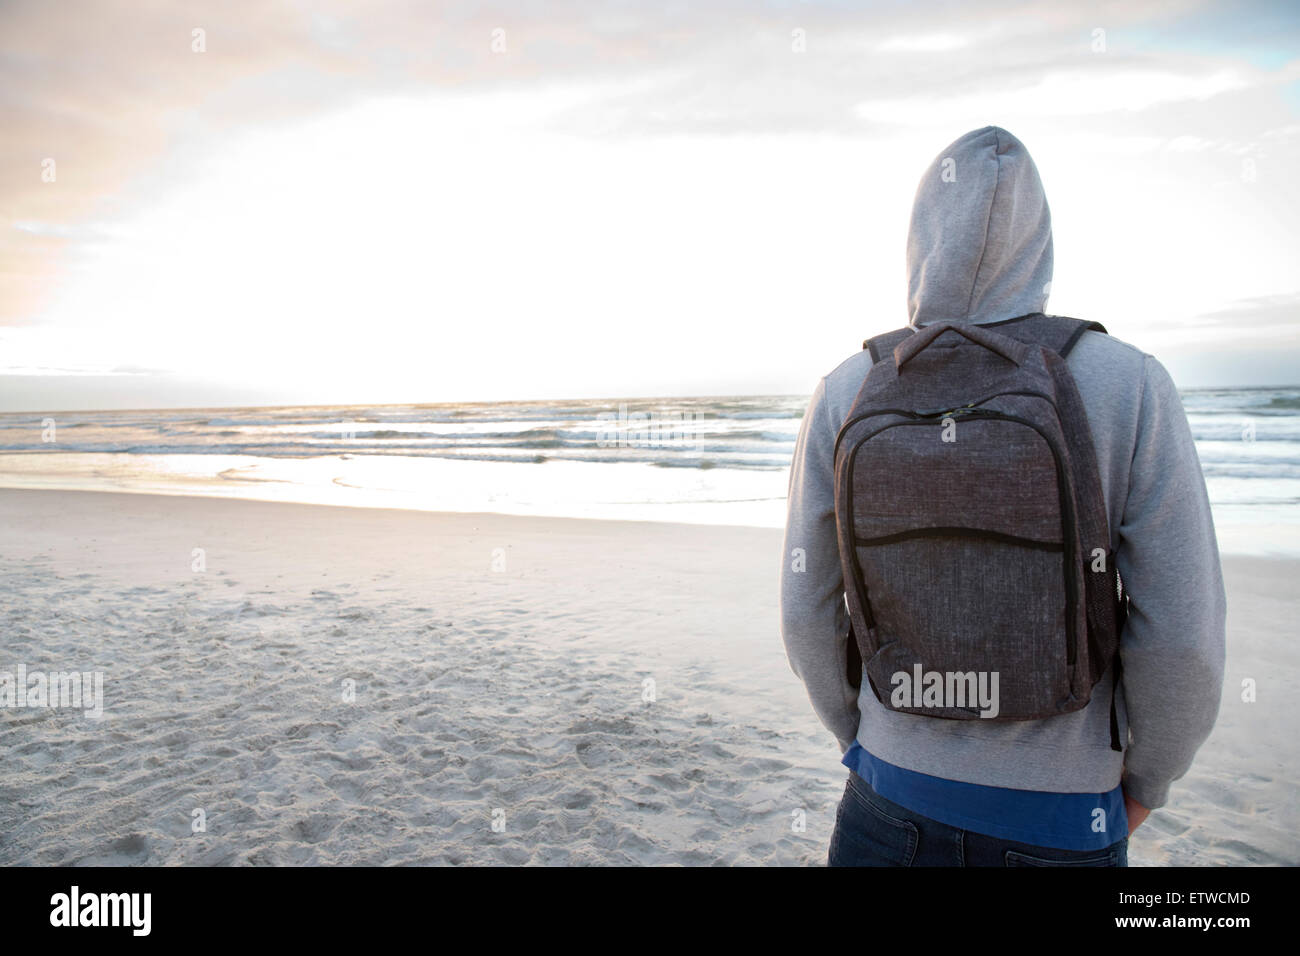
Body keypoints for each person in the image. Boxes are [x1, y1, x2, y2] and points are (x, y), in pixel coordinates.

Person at [779, 126, 1226, 867]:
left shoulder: (848, 389)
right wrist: (1149, 780)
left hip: (886, 801)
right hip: (1062, 819)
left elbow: (805, 610)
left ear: (919, 238)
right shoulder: (1128, 382)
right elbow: (1182, 635)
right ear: (1039, 241)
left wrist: (860, 734)